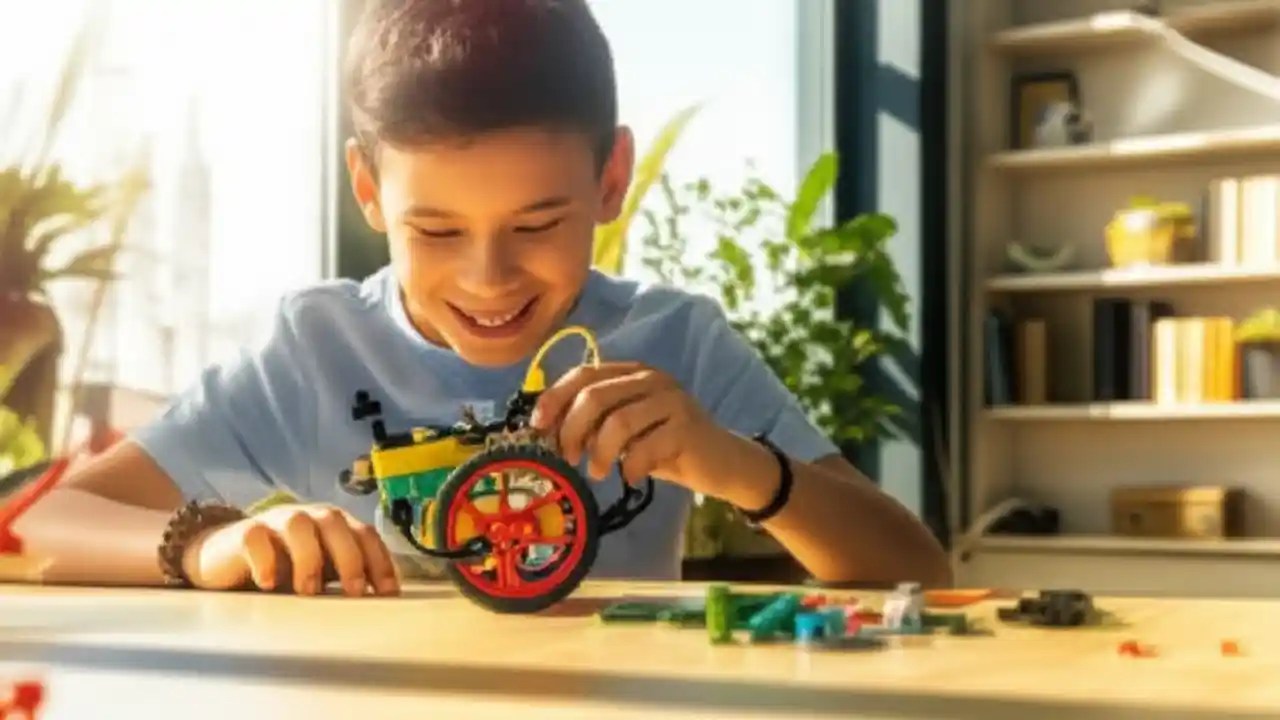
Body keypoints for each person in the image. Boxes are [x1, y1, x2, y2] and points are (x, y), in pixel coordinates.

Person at [12, 0, 950, 597]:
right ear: (369, 192)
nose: (489, 279)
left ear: (612, 178)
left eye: (539, 224)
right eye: (437, 232)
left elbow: (916, 568)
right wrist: (211, 543)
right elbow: (38, 524)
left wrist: (738, 465)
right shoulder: (318, 351)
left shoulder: (676, 339)